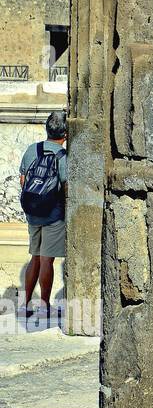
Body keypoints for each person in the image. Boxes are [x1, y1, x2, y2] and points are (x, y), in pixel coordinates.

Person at [19, 110, 68, 319]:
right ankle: (44, 306)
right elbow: (66, 188)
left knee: (35, 258)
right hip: (53, 215)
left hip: (33, 213)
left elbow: (23, 180)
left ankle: (25, 305)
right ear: (66, 134)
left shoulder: (33, 149)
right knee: (47, 260)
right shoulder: (62, 156)